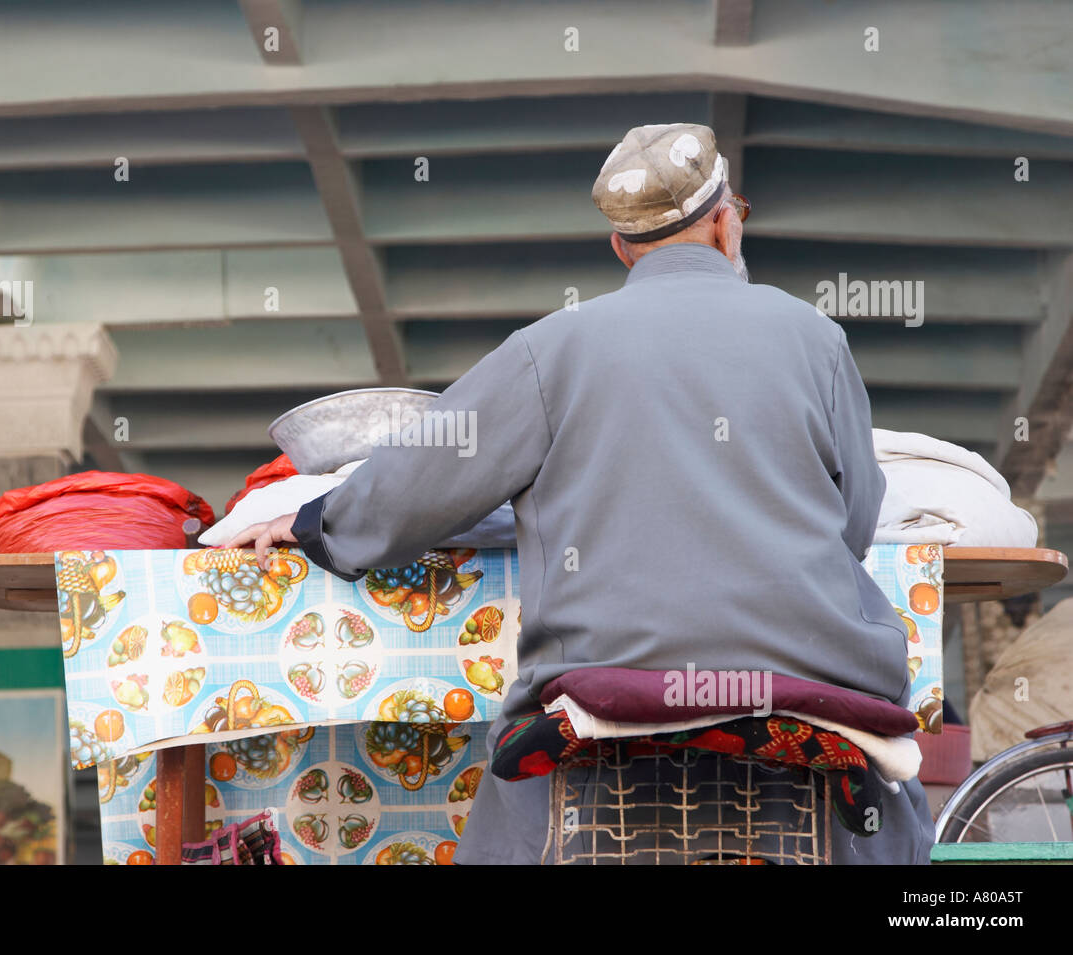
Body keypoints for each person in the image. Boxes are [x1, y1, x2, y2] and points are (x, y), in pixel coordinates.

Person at [224, 123, 935, 864]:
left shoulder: (550, 349)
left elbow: (416, 484)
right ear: (727, 222)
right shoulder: (815, 338)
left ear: (622, 247)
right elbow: (853, 525)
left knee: (512, 816)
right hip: (805, 691)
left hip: (608, 697)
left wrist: (315, 522)